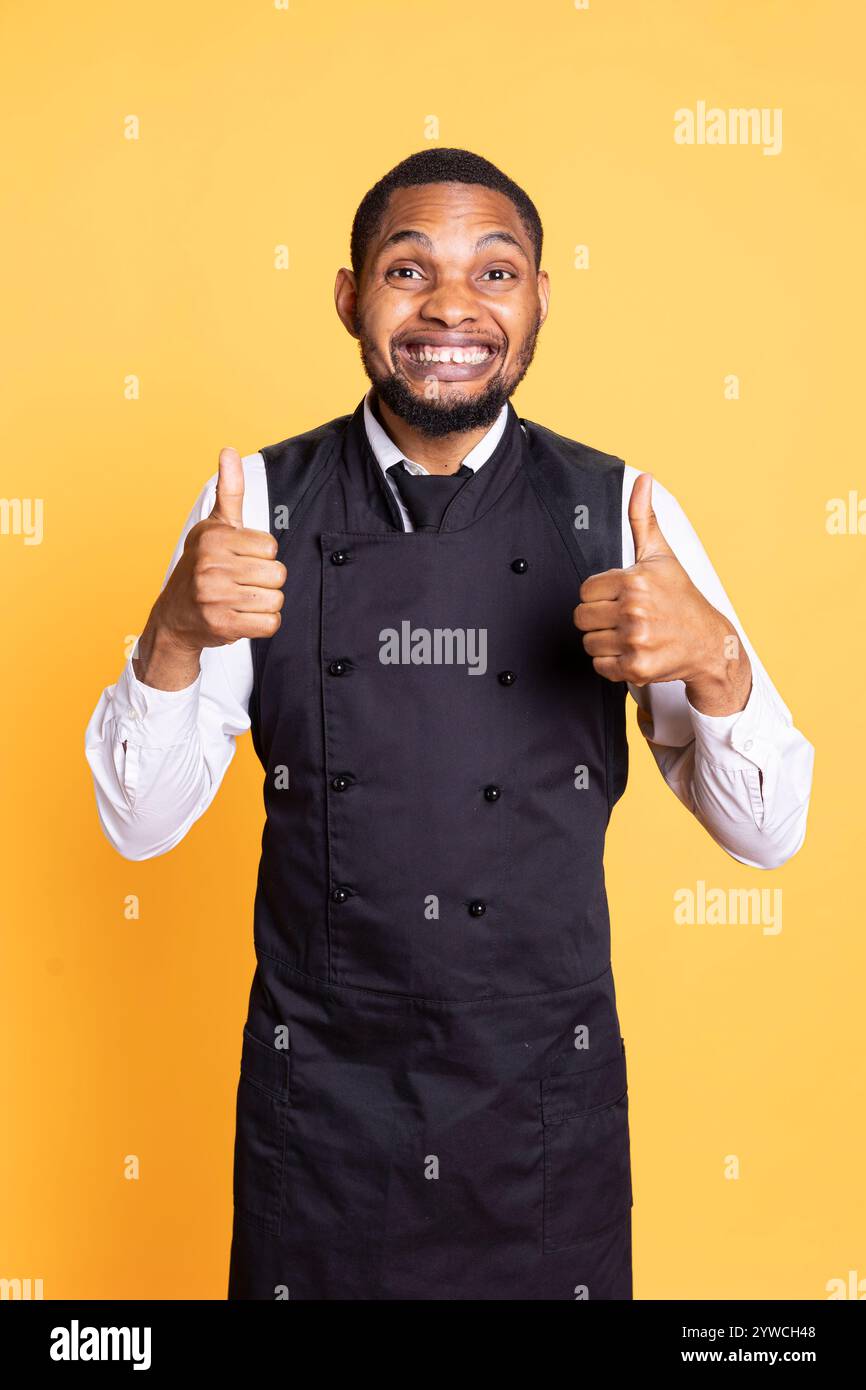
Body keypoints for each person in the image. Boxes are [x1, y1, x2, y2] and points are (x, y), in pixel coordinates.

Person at [85, 148, 814, 1300]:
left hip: (541, 1118)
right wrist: (172, 630)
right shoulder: (257, 504)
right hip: (319, 1109)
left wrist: (718, 660)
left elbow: (768, 837)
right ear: (348, 298)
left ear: (534, 304)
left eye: (495, 272)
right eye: (407, 269)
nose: (451, 308)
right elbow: (136, 828)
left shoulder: (621, 511)